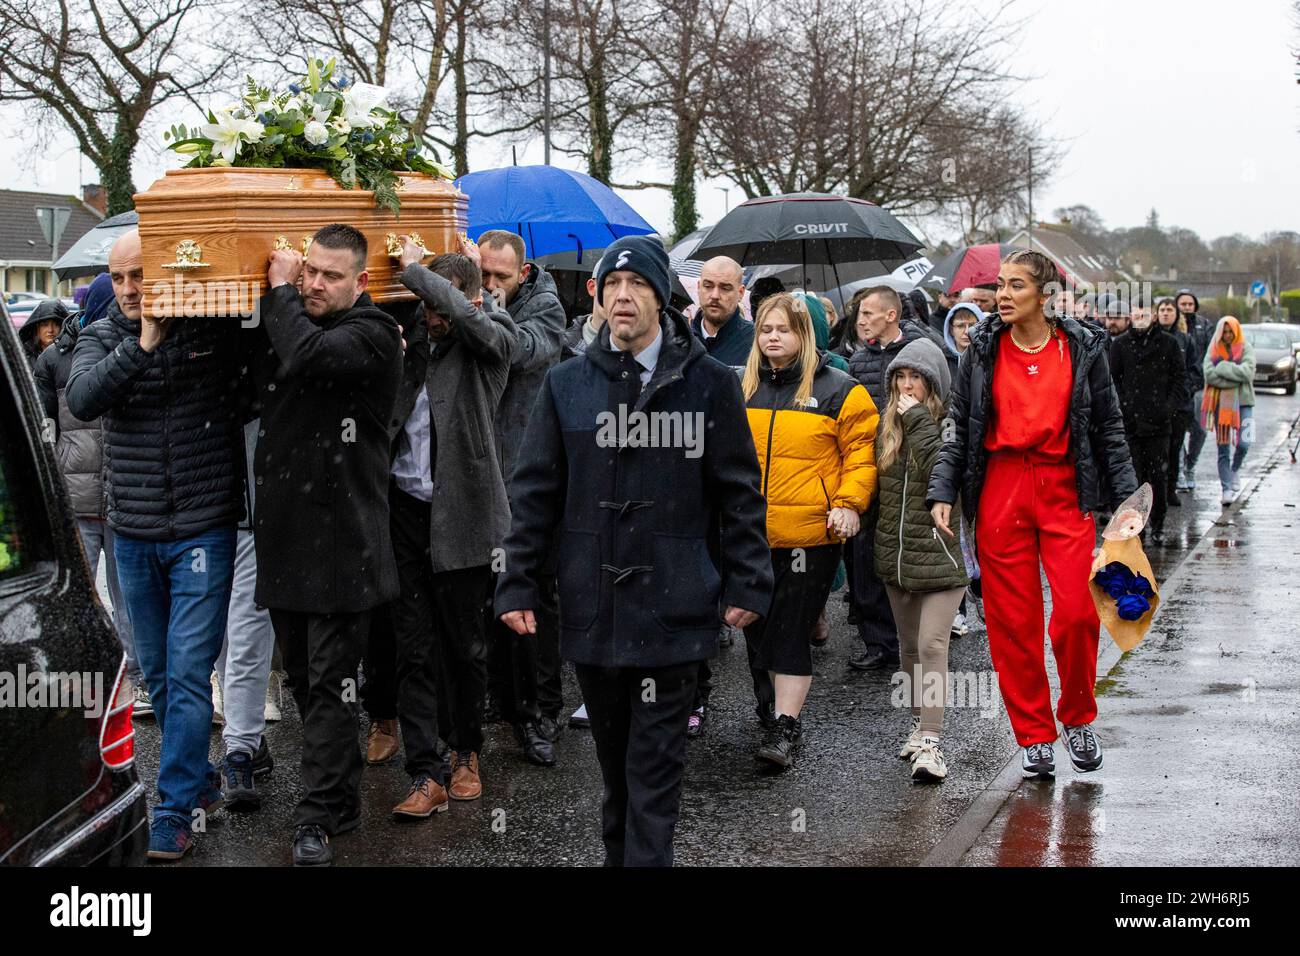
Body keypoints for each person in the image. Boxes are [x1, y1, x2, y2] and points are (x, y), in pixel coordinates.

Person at [495, 234, 773, 866]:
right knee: (616, 774)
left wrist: (748, 580)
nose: (623, 296)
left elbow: (738, 493)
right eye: (611, 286)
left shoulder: (707, 384)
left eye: (638, 285)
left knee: (653, 775)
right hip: (593, 607)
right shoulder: (566, 384)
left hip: (673, 607)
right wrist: (517, 580)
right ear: (596, 296)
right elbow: (534, 492)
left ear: (661, 297)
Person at [66, 229, 245, 861]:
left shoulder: (210, 327)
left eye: (140, 274)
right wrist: (143, 346)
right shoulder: (102, 334)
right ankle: (200, 780)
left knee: (191, 671)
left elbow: (258, 378)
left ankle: (174, 810)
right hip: (133, 536)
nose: (131, 288)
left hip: (203, 526)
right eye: (118, 278)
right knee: (163, 677)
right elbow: (83, 399)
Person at [928, 250, 1136, 780]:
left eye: (1015, 286)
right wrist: (943, 489)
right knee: (1011, 621)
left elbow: (1109, 427)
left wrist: (1129, 500)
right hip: (1001, 486)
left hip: (1065, 487)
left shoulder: (1083, 347)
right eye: (1000, 285)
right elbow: (959, 422)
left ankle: (1078, 717)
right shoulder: (981, 349)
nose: (1002, 295)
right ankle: (1034, 734)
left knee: (1076, 613)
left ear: (1044, 295)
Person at [249, 224, 403, 866]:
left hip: (345, 544)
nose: (313, 282)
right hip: (286, 536)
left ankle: (314, 818)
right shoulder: (294, 322)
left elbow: (309, 355)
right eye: (308, 270)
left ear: (361, 282)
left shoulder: (372, 336)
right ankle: (338, 799)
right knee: (309, 683)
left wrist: (278, 290)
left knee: (335, 683)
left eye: (330, 275)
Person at [383, 240, 515, 815]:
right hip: (406, 514)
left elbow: (468, 317)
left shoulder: (491, 340)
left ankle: (466, 752)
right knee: (412, 648)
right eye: (424, 307)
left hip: (465, 519)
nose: (431, 318)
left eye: (438, 307)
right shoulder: (412, 343)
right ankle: (424, 773)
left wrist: (414, 268)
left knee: (465, 647)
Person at [742, 293, 876, 767]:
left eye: (784, 329)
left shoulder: (841, 389)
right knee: (753, 627)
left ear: (805, 335)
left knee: (788, 628)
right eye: (766, 330)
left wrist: (848, 504)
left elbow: (861, 455)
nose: (773, 337)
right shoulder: (743, 388)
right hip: (751, 535)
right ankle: (770, 709)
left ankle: (785, 727)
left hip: (811, 535)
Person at [33, 274, 140, 712]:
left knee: (127, 595)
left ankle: (135, 675)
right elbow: (42, 427)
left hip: (121, 498)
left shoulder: (129, 347)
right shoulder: (56, 359)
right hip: (81, 498)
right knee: (83, 595)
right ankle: (86, 676)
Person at [478, 229, 567, 763]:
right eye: (482, 274)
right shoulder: (475, 301)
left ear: (524, 273)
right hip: (481, 476)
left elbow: (518, 350)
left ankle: (540, 710)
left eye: (501, 278)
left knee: (535, 598)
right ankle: (499, 697)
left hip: (533, 479)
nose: (491, 286)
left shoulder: (547, 309)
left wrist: (480, 305)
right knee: (487, 596)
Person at [874, 337, 967, 782]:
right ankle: (918, 723)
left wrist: (915, 421)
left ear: (934, 385)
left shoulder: (950, 424)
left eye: (917, 379)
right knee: (908, 647)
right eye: (901, 378)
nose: (907, 388)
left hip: (943, 555)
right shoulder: (885, 425)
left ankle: (932, 741)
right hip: (897, 556)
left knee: (933, 644)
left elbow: (940, 469)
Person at [844, 286, 946, 670]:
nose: (861, 320)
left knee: (907, 555)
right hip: (872, 463)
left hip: (913, 467)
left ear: (891, 315)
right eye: (859, 314)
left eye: (868, 313)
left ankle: (913, 637)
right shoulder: (858, 361)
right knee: (865, 557)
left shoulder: (921, 351)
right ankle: (877, 642)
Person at [1109, 299, 1186, 543]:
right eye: (1136, 313)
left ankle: (1158, 524)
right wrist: (1123, 406)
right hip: (1130, 423)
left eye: (1145, 313)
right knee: (1134, 478)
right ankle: (1135, 527)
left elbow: (1179, 378)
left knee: (1158, 477)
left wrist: (1168, 408)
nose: (1140, 318)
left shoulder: (1169, 344)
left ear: (1153, 316)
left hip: (1159, 423)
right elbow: (1114, 379)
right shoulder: (1120, 345)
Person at [1201, 316, 1256, 507]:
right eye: (1224, 331)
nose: (1227, 335)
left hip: (1244, 402)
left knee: (1244, 443)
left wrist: (1223, 367)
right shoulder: (1213, 348)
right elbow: (1209, 374)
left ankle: (1234, 470)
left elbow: (1248, 372)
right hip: (1220, 405)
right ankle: (1226, 488)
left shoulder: (1246, 347)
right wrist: (1235, 376)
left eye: (1230, 331)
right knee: (1223, 448)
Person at [1155, 297, 1192, 507]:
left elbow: (1193, 370)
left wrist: (1185, 392)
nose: (1166, 313)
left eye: (1170, 310)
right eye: (1162, 309)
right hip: (1155, 404)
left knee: (1174, 450)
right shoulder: (1152, 339)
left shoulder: (1185, 341)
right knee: (1157, 453)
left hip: (1179, 406)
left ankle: (1170, 489)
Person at [1176, 290, 1214, 492]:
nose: (1187, 307)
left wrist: (1198, 377)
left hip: (1200, 386)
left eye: (1190, 304)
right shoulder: (1173, 328)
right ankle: (1181, 470)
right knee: (1178, 431)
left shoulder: (1205, 326)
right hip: (1178, 389)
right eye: (1183, 304)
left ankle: (1191, 465)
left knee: (1200, 429)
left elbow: (1210, 353)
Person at [691, 256, 753, 367]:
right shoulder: (679, 340)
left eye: (725, 288)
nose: (715, 296)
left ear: (740, 293)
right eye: (708, 286)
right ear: (699, 287)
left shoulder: (756, 342)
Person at [18, 298, 64, 366]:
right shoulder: (23, 356)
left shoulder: (72, 355)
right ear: (37, 328)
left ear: (62, 327)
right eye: (45, 325)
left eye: (56, 324)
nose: (50, 330)